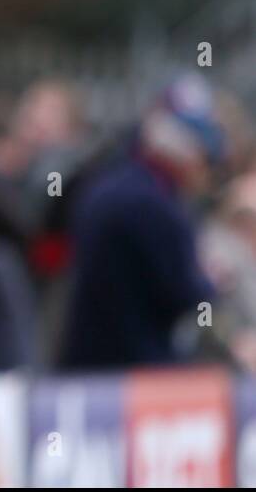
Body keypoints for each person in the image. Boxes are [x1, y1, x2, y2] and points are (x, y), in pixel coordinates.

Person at [56, 75, 220, 370]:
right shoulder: (151, 203)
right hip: (133, 370)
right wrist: (212, 281)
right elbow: (186, 294)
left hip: (92, 363)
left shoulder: (111, 181)